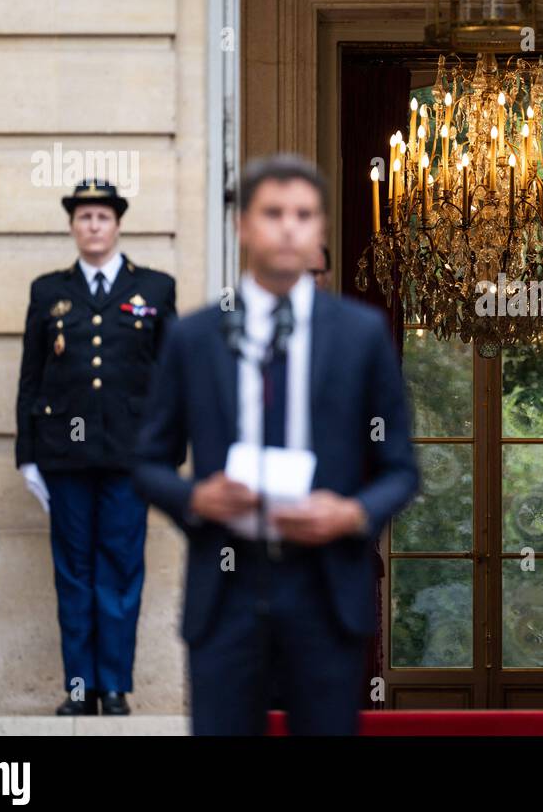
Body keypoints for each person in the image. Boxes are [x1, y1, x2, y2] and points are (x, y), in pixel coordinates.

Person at [134, 153, 418, 735]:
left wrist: (352, 512)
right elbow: (146, 462)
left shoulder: (362, 334)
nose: (289, 226)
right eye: (273, 213)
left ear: (320, 230)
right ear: (243, 226)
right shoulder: (194, 335)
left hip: (327, 590)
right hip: (225, 588)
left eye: (304, 214)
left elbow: (401, 468)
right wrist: (196, 500)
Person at [15, 179, 177, 717]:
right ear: (72, 226)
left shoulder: (155, 289)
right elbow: (31, 377)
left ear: (117, 224)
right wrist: (27, 454)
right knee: (73, 573)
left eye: (102, 217)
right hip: (64, 455)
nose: (93, 226)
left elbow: (171, 379)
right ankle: (80, 689)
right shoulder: (48, 291)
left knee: (121, 568)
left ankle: (114, 686)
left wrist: (169, 451)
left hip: (130, 457)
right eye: (84, 217)